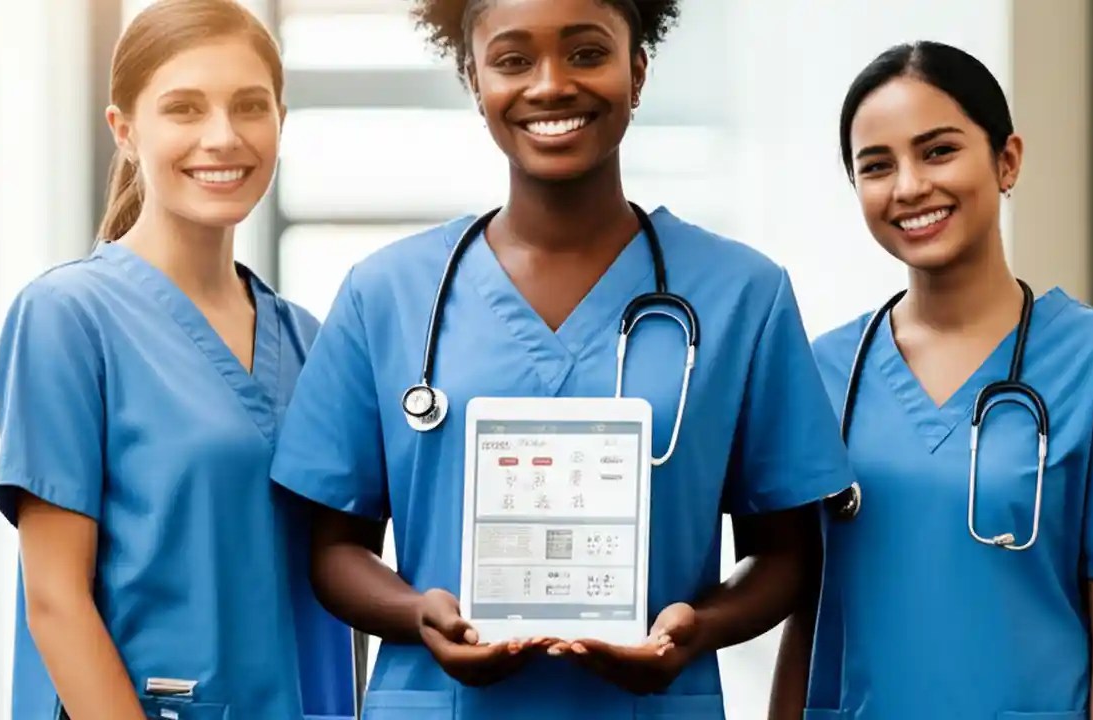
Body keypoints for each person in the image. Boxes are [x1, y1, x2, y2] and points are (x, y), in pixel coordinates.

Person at [267, 0, 855, 717]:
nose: (550, 85)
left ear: (637, 71)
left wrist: (698, 630)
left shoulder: (743, 295)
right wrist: (418, 614)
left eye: (586, 53)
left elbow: (788, 553)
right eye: (513, 61)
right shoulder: (386, 293)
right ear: (474, 79)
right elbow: (334, 549)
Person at [770, 41, 1093, 720]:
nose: (909, 186)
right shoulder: (825, 371)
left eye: (938, 151)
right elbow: (806, 616)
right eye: (877, 166)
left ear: (1007, 160)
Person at [0, 1, 354, 718]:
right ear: (125, 131)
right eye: (184, 108)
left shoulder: (308, 342)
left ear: (280, 121)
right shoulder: (68, 318)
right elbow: (55, 601)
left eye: (249, 106)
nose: (223, 137)